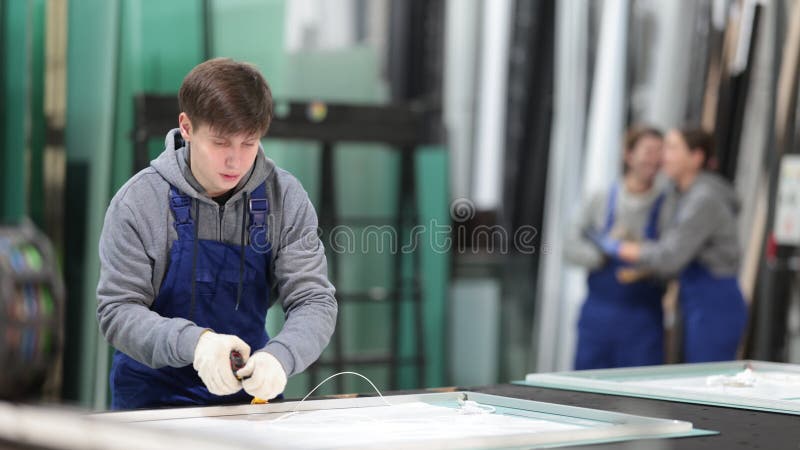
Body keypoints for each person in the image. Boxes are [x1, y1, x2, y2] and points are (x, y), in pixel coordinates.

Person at [96, 58, 337, 409]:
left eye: (248, 143)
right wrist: (196, 344)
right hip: (152, 404)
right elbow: (117, 310)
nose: (235, 162)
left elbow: (314, 300)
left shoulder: (283, 198)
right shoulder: (140, 202)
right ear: (187, 127)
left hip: (250, 399)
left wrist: (280, 358)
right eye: (221, 143)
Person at [597, 127, 748, 362]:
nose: (662, 157)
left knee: (706, 383)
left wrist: (621, 248)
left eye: (671, 148)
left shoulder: (703, 199)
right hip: (693, 301)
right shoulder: (679, 195)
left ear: (696, 157)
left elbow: (670, 258)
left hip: (715, 305)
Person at [565, 126, 670, 370]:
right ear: (629, 155)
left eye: (659, 152)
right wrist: (601, 254)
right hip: (598, 315)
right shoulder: (599, 199)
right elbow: (568, 247)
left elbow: (674, 259)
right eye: (648, 151)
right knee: (586, 393)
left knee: (639, 400)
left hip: (643, 320)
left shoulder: (668, 205)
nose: (653, 159)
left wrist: (645, 266)